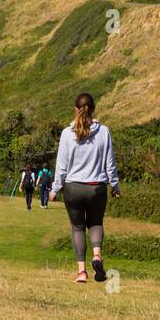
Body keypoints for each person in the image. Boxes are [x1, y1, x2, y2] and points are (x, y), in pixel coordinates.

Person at [49, 93, 120, 284]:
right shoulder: (104, 131)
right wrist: (115, 184)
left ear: (75, 109)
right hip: (97, 187)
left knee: (78, 228)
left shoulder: (67, 133)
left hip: (73, 188)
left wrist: (55, 189)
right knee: (96, 223)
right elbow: (110, 163)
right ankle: (97, 255)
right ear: (94, 108)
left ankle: (81, 272)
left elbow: (61, 166)